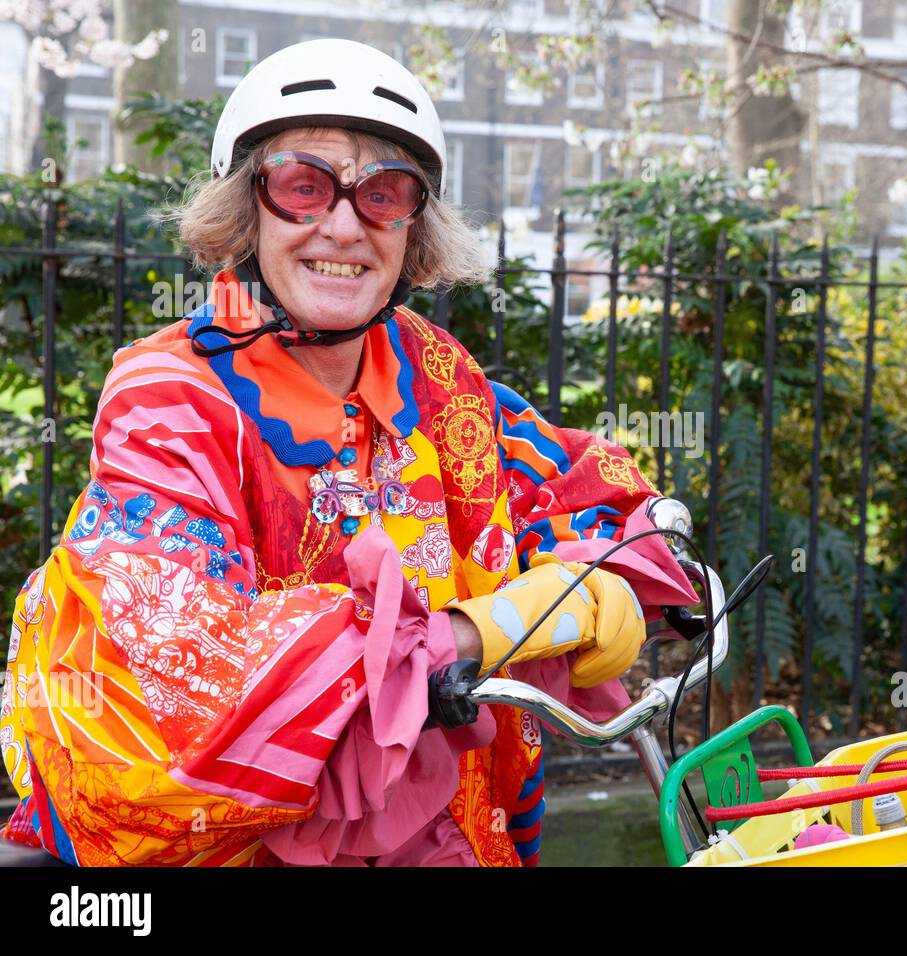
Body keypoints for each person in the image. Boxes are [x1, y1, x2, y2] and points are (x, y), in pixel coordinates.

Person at [0, 39, 692, 867]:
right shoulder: (171, 398)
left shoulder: (434, 371)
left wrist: (629, 555)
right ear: (247, 208)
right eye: (303, 186)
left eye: (383, 193)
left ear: (413, 226)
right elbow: (180, 669)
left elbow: (551, 484)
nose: (342, 224)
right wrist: (479, 632)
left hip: (455, 836)